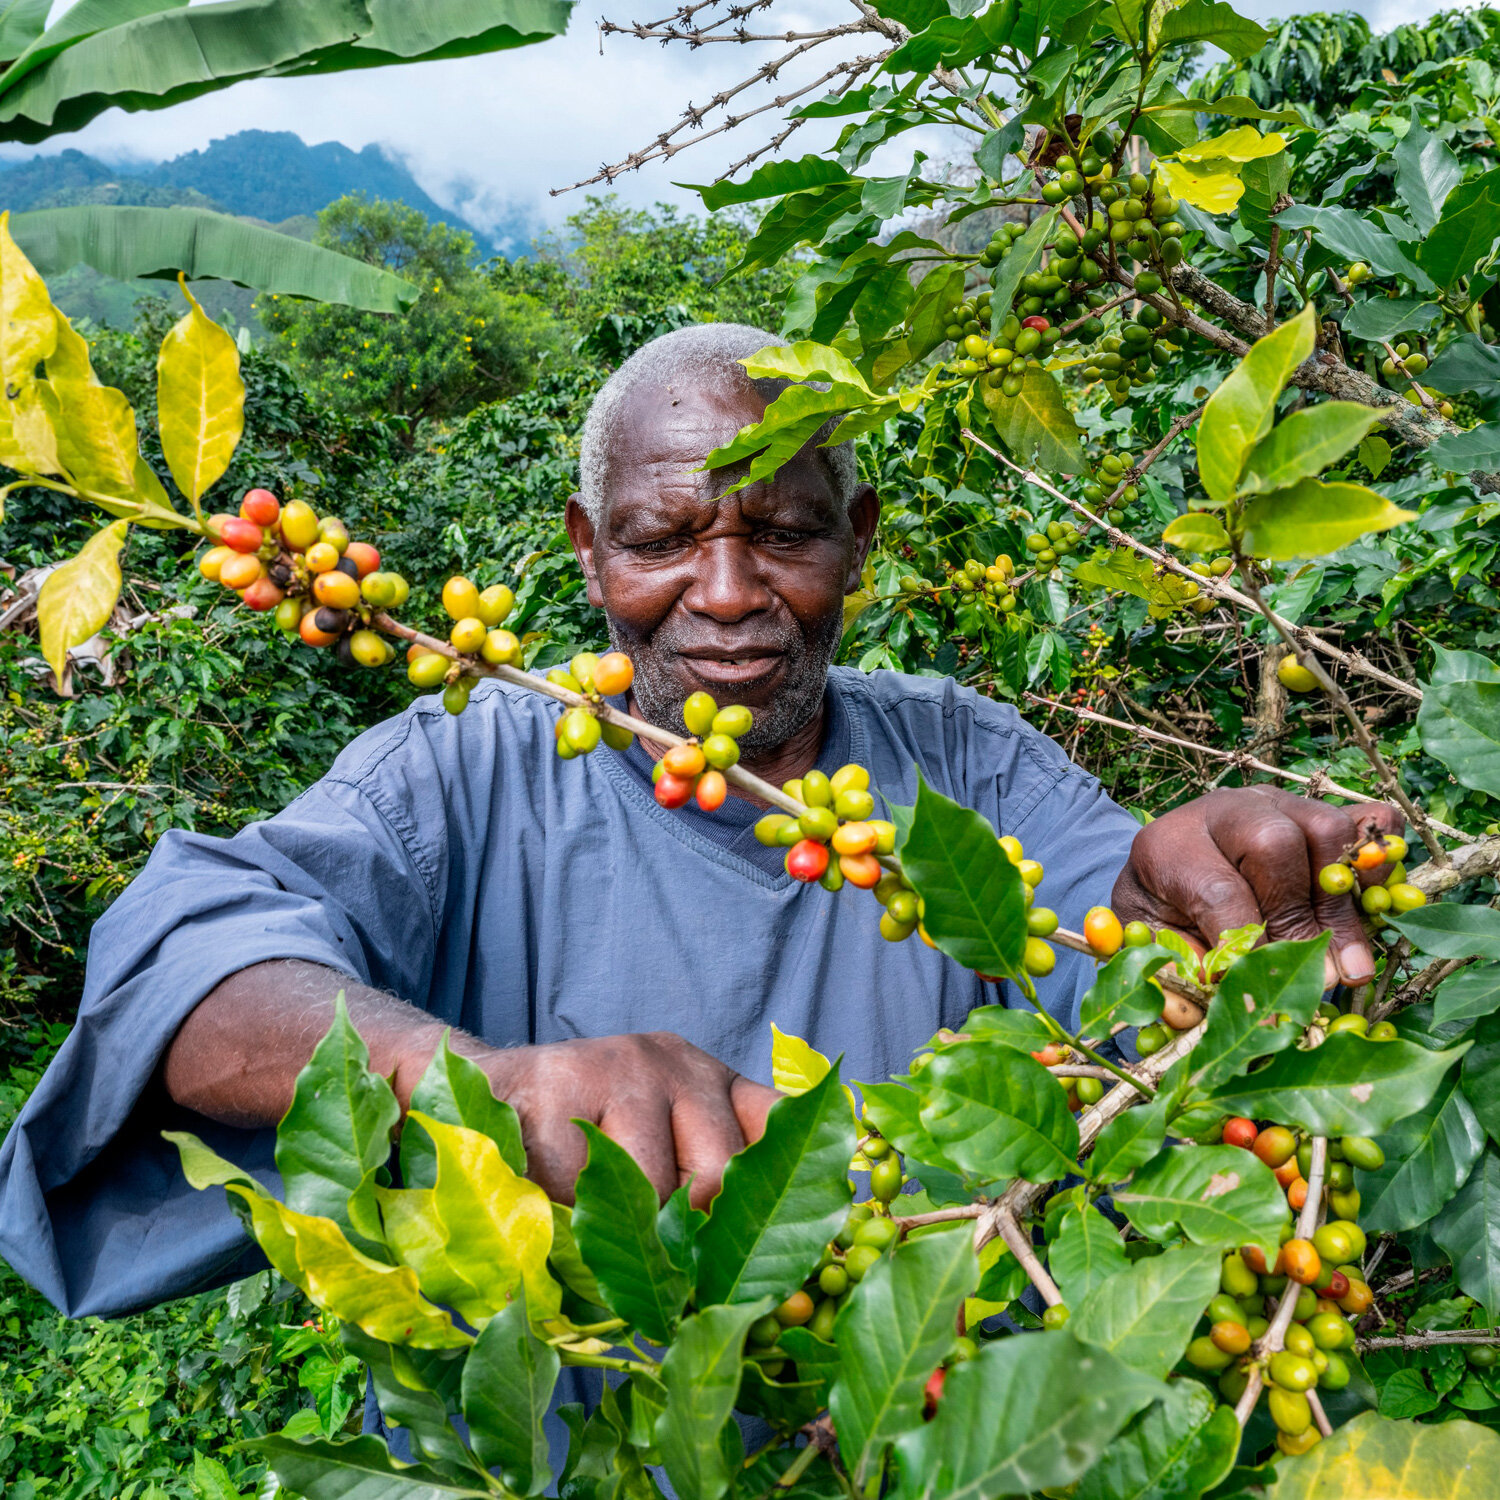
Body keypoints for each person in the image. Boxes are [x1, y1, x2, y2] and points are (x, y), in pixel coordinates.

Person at [0, 323, 1398, 1329]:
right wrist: (478, 1081)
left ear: (858, 537)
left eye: (782, 534)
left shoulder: (959, 757)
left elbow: (1113, 918)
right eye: (664, 541)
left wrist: (1195, 899)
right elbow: (187, 962)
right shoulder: (471, 766)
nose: (725, 593)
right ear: (588, 549)